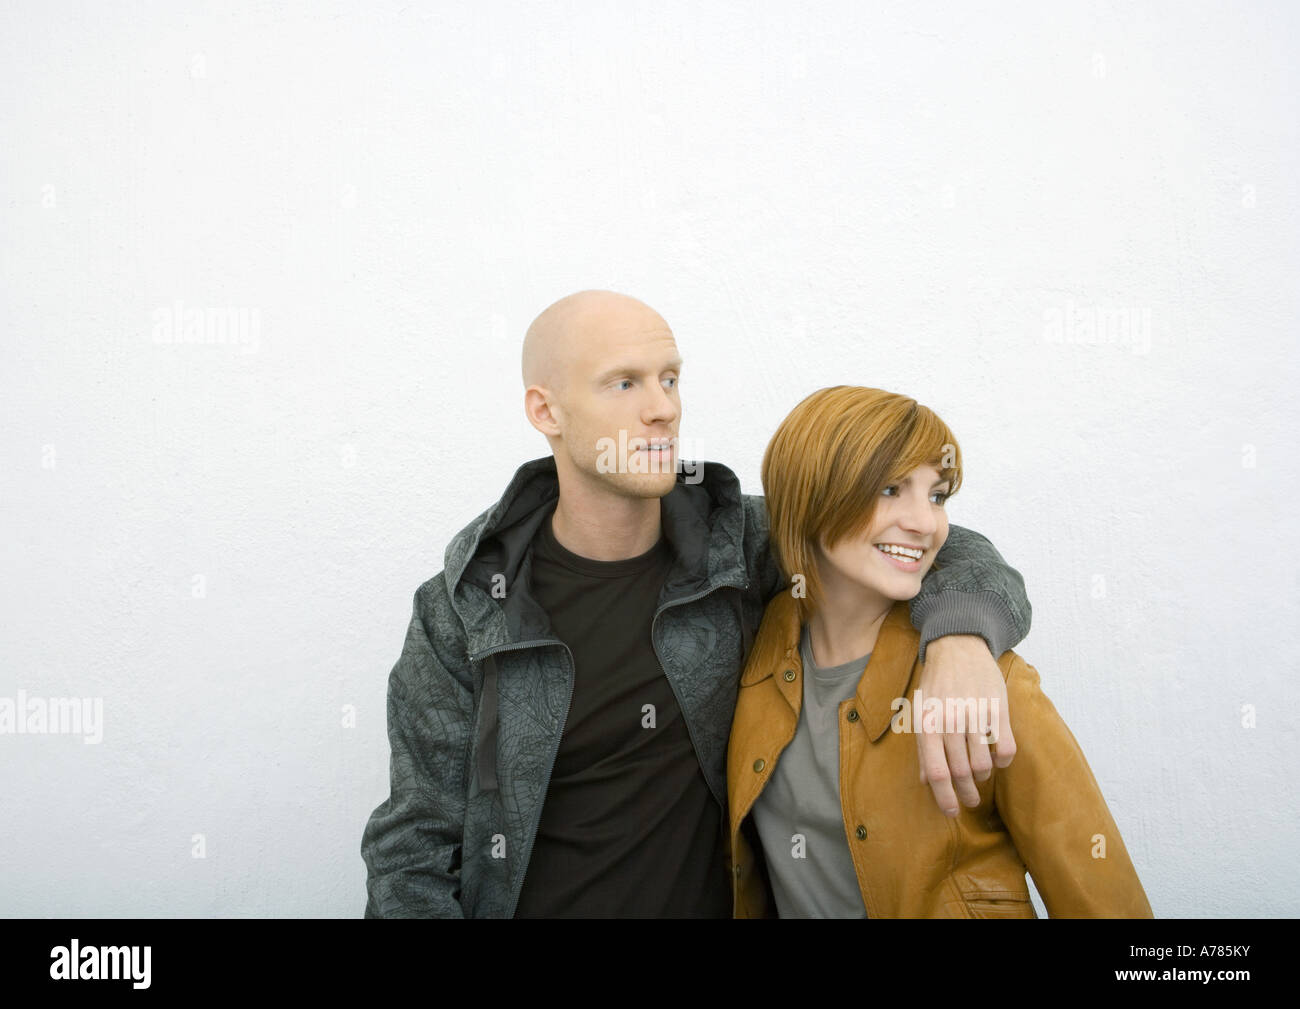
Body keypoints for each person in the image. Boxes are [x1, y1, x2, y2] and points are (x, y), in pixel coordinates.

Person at [361, 292, 1034, 917]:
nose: (663, 407)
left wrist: (960, 641)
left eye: (671, 378)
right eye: (625, 383)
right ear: (546, 411)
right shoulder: (469, 604)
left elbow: (926, 540)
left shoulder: (737, 548)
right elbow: (413, 846)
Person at [727, 385, 1152, 917]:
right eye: (889, 489)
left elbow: (1106, 900)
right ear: (810, 499)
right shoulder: (749, 652)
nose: (927, 524)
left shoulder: (988, 682)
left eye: (937, 495)